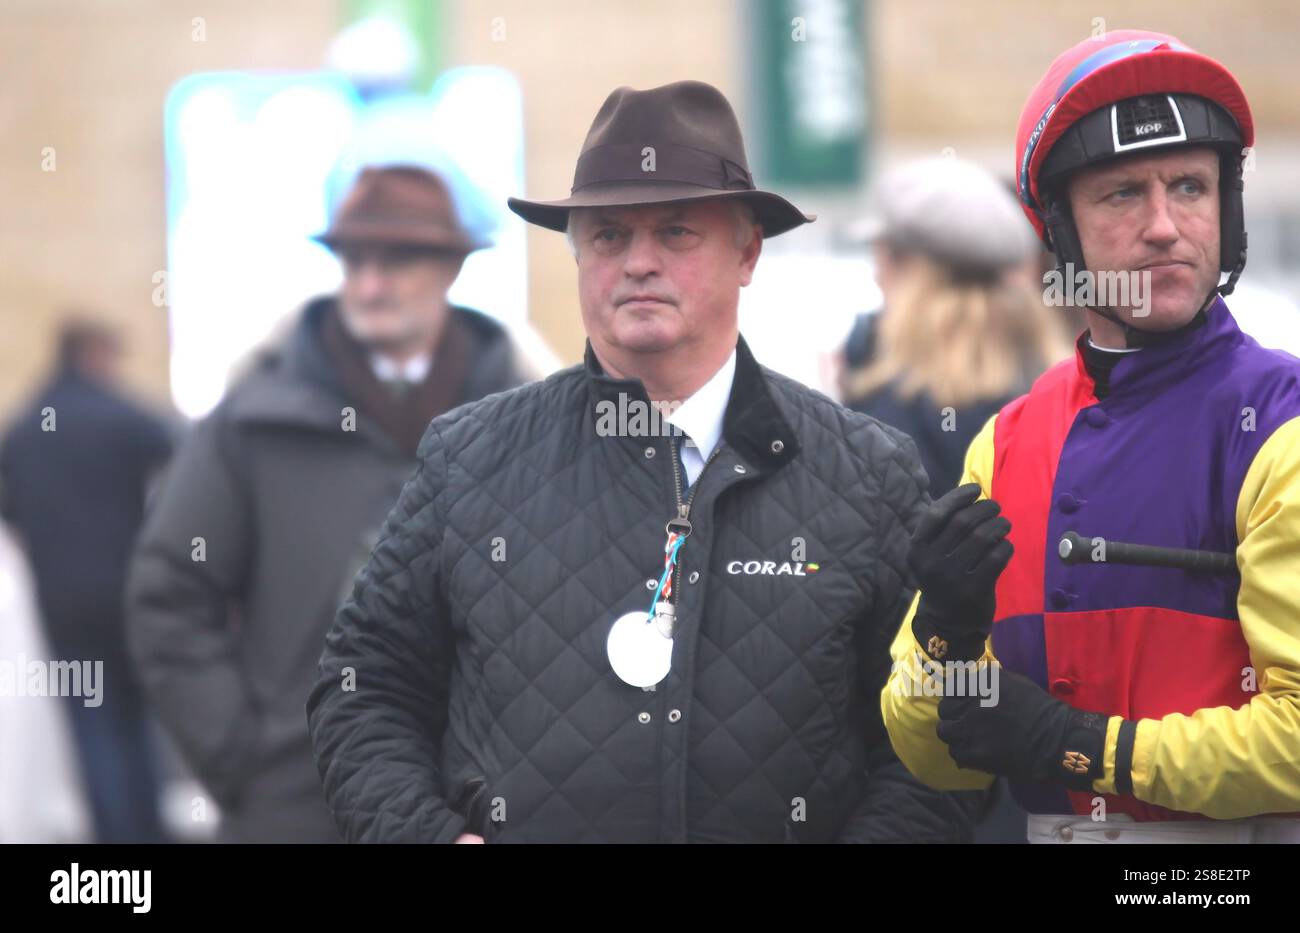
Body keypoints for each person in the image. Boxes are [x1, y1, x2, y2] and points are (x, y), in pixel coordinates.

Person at [307, 80, 985, 844]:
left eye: (675, 232)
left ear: (748, 252)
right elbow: (360, 690)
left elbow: (940, 735)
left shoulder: (867, 473)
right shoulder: (466, 459)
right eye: (608, 236)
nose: (638, 263)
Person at [881, 30, 1300, 843]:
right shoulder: (1004, 440)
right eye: (1122, 195)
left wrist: (1083, 746)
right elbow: (937, 762)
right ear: (1060, 229)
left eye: (1190, 186)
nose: (1165, 226)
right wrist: (945, 634)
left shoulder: (1281, 421)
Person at [126, 165, 526, 843]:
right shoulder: (254, 423)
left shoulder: (525, 425)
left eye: (397, 260)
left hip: (477, 813)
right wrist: (243, 757)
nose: (369, 284)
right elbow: (169, 592)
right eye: (354, 260)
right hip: (294, 811)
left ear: (452, 269)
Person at [0, 321, 173, 843]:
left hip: (62, 600)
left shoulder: (26, 426)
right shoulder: (121, 416)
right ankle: (148, 828)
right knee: (136, 714)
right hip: (129, 590)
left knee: (91, 718)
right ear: (94, 353)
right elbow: (182, 458)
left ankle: (115, 837)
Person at [841, 156, 1069, 498]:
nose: (876, 275)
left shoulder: (888, 402)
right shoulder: (1061, 387)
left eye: (882, 257)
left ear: (911, 267)